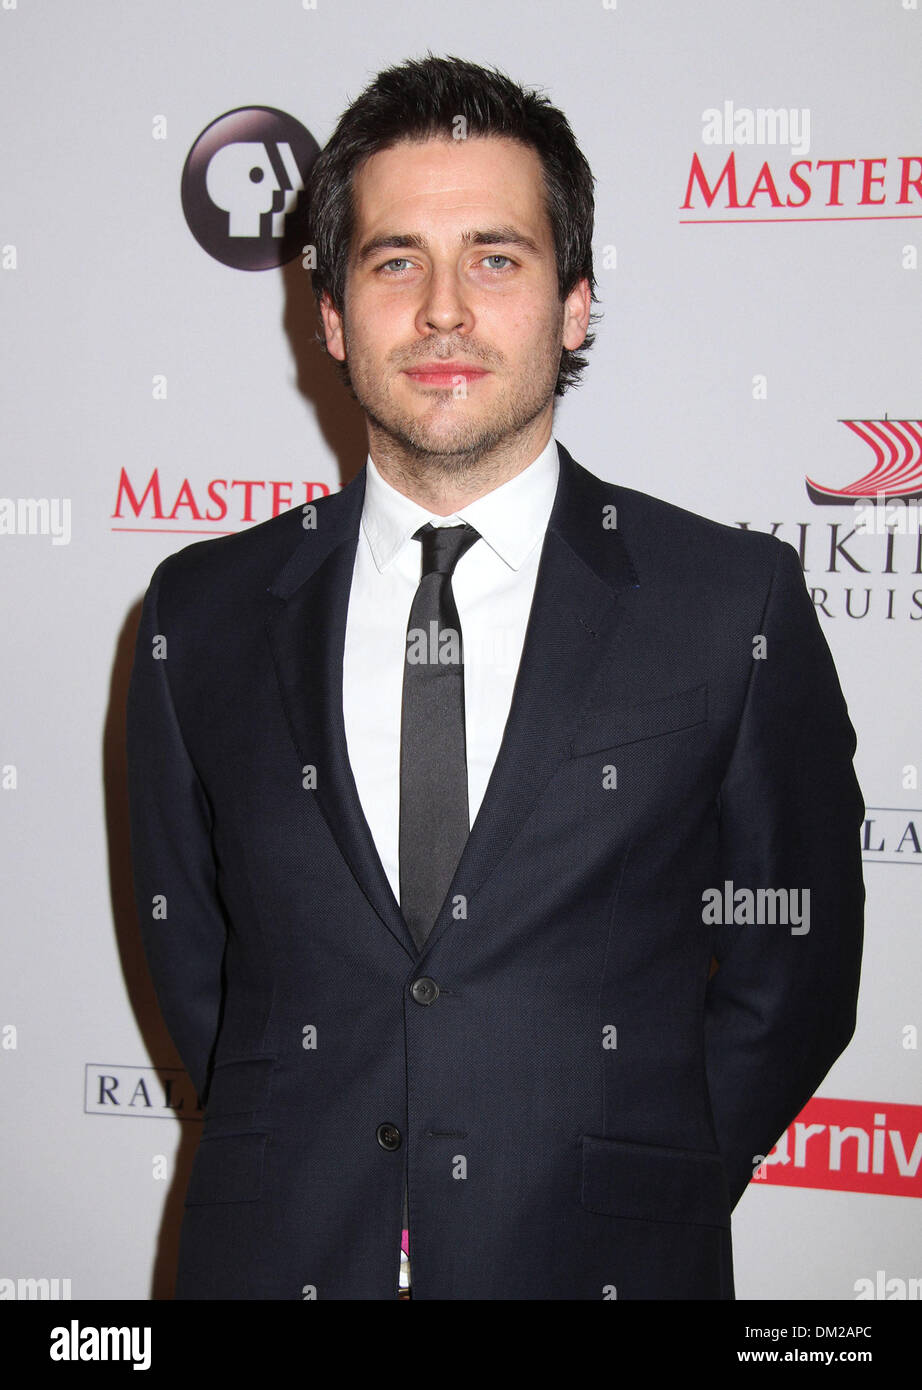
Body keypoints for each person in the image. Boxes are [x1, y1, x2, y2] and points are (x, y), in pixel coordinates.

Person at [126, 54, 865, 1300]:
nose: (444, 312)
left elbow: (793, 963)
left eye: (498, 258)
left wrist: (648, 1174)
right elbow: (198, 959)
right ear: (330, 316)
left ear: (575, 302)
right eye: (394, 260)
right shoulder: (198, 613)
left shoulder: (727, 604)